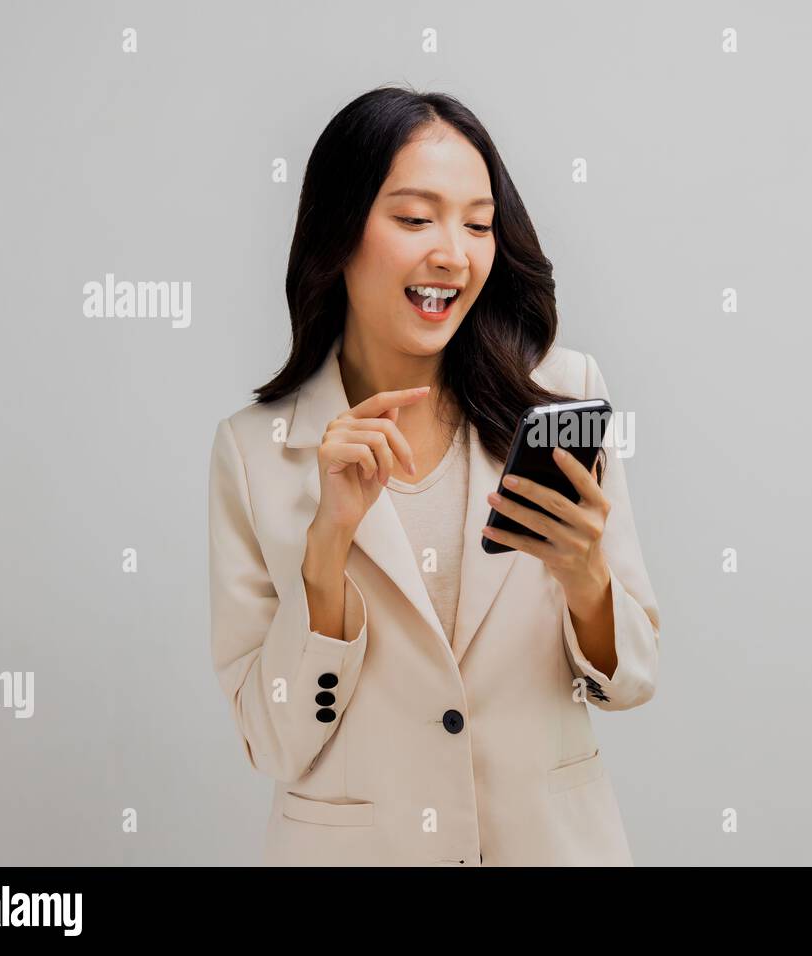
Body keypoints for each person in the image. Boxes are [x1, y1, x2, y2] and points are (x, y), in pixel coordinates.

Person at [207, 86, 661, 866]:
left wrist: (587, 580)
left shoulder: (562, 395)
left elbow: (633, 681)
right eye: (416, 219)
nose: (453, 252)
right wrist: (327, 554)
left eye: (478, 224)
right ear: (338, 233)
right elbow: (271, 739)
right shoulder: (255, 451)